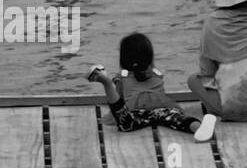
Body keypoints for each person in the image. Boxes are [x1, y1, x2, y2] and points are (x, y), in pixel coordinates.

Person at [88, 33, 216, 141]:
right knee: (178, 119)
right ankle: (198, 127)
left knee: (126, 123)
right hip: (161, 109)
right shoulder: (157, 74)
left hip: (136, 113)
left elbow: (119, 102)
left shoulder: (122, 77)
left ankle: (105, 82)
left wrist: (111, 118)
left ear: (123, 59)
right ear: (149, 58)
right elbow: (160, 93)